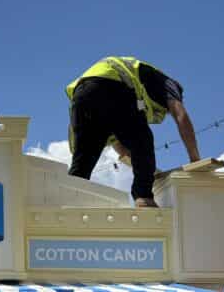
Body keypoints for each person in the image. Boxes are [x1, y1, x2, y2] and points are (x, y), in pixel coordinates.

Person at [65, 56, 202, 207]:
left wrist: (145, 167)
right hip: (112, 86)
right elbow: (180, 115)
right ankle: (144, 197)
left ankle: (69, 201)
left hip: (81, 95)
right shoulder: (168, 84)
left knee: (84, 159)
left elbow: (119, 143)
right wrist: (195, 159)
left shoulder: (143, 83)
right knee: (143, 139)